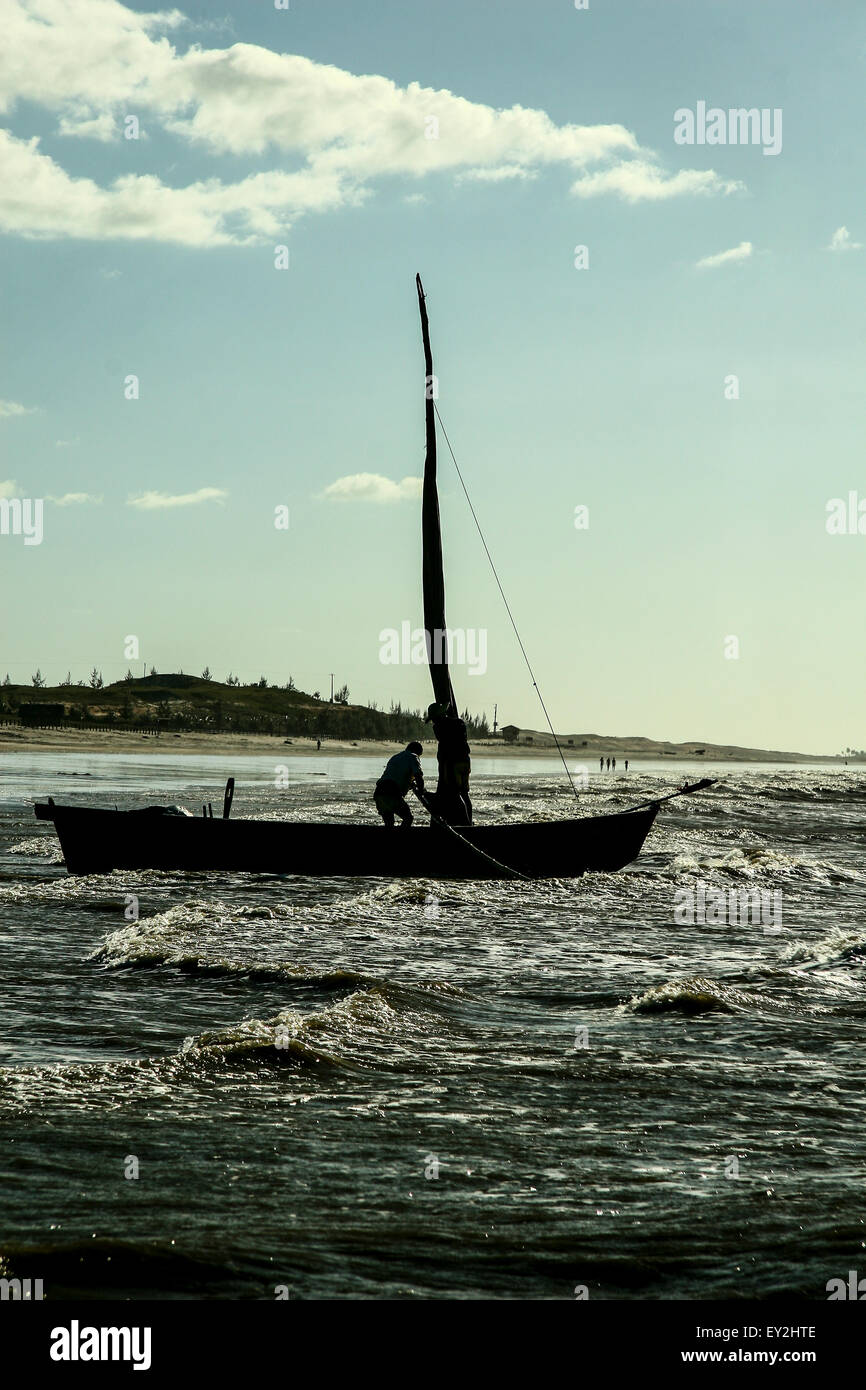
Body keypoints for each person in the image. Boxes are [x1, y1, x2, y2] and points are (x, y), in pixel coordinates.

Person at [425, 702, 471, 825]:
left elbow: (446, 745)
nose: (433, 722)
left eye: (433, 718)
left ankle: (464, 824)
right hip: (465, 762)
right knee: (464, 793)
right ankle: (468, 823)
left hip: (451, 764)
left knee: (453, 793)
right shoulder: (459, 723)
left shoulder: (438, 727)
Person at [373, 742, 425, 828]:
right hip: (392, 792)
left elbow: (396, 775)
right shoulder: (413, 757)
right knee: (408, 818)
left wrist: (410, 783)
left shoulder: (395, 757)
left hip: (379, 792)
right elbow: (418, 776)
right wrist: (421, 791)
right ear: (417, 752)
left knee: (389, 823)